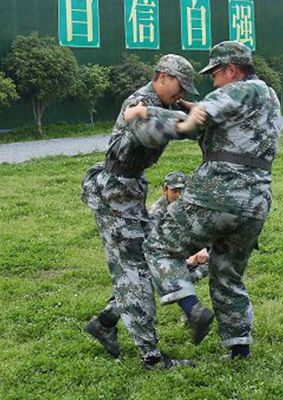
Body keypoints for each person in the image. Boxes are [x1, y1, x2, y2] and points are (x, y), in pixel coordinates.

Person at [125, 41, 281, 360]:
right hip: (256, 201)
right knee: (227, 273)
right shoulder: (266, 96)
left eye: (215, 74)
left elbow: (196, 121)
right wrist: (186, 106)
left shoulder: (239, 90)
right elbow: (213, 116)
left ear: (232, 70)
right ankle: (238, 349)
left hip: (219, 192)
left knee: (159, 247)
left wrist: (144, 114)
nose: (212, 81)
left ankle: (193, 310)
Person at [80, 54, 199, 370]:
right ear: (162, 76)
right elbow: (159, 122)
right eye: (179, 86)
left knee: (145, 261)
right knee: (134, 274)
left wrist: (187, 108)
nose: (182, 94)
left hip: (130, 188)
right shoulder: (140, 103)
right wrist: (183, 116)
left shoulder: (162, 102)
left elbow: (182, 112)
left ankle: (105, 322)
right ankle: (151, 357)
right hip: (116, 194)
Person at [149, 171, 210, 281]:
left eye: (182, 191)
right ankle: (187, 275)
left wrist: (202, 248)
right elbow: (157, 243)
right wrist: (187, 257)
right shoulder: (156, 212)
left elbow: (202, 230)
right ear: (165, 190)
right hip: (168, 251)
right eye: (174, 191)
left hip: (189, 248)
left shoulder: (190, 205)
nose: (178, 195)